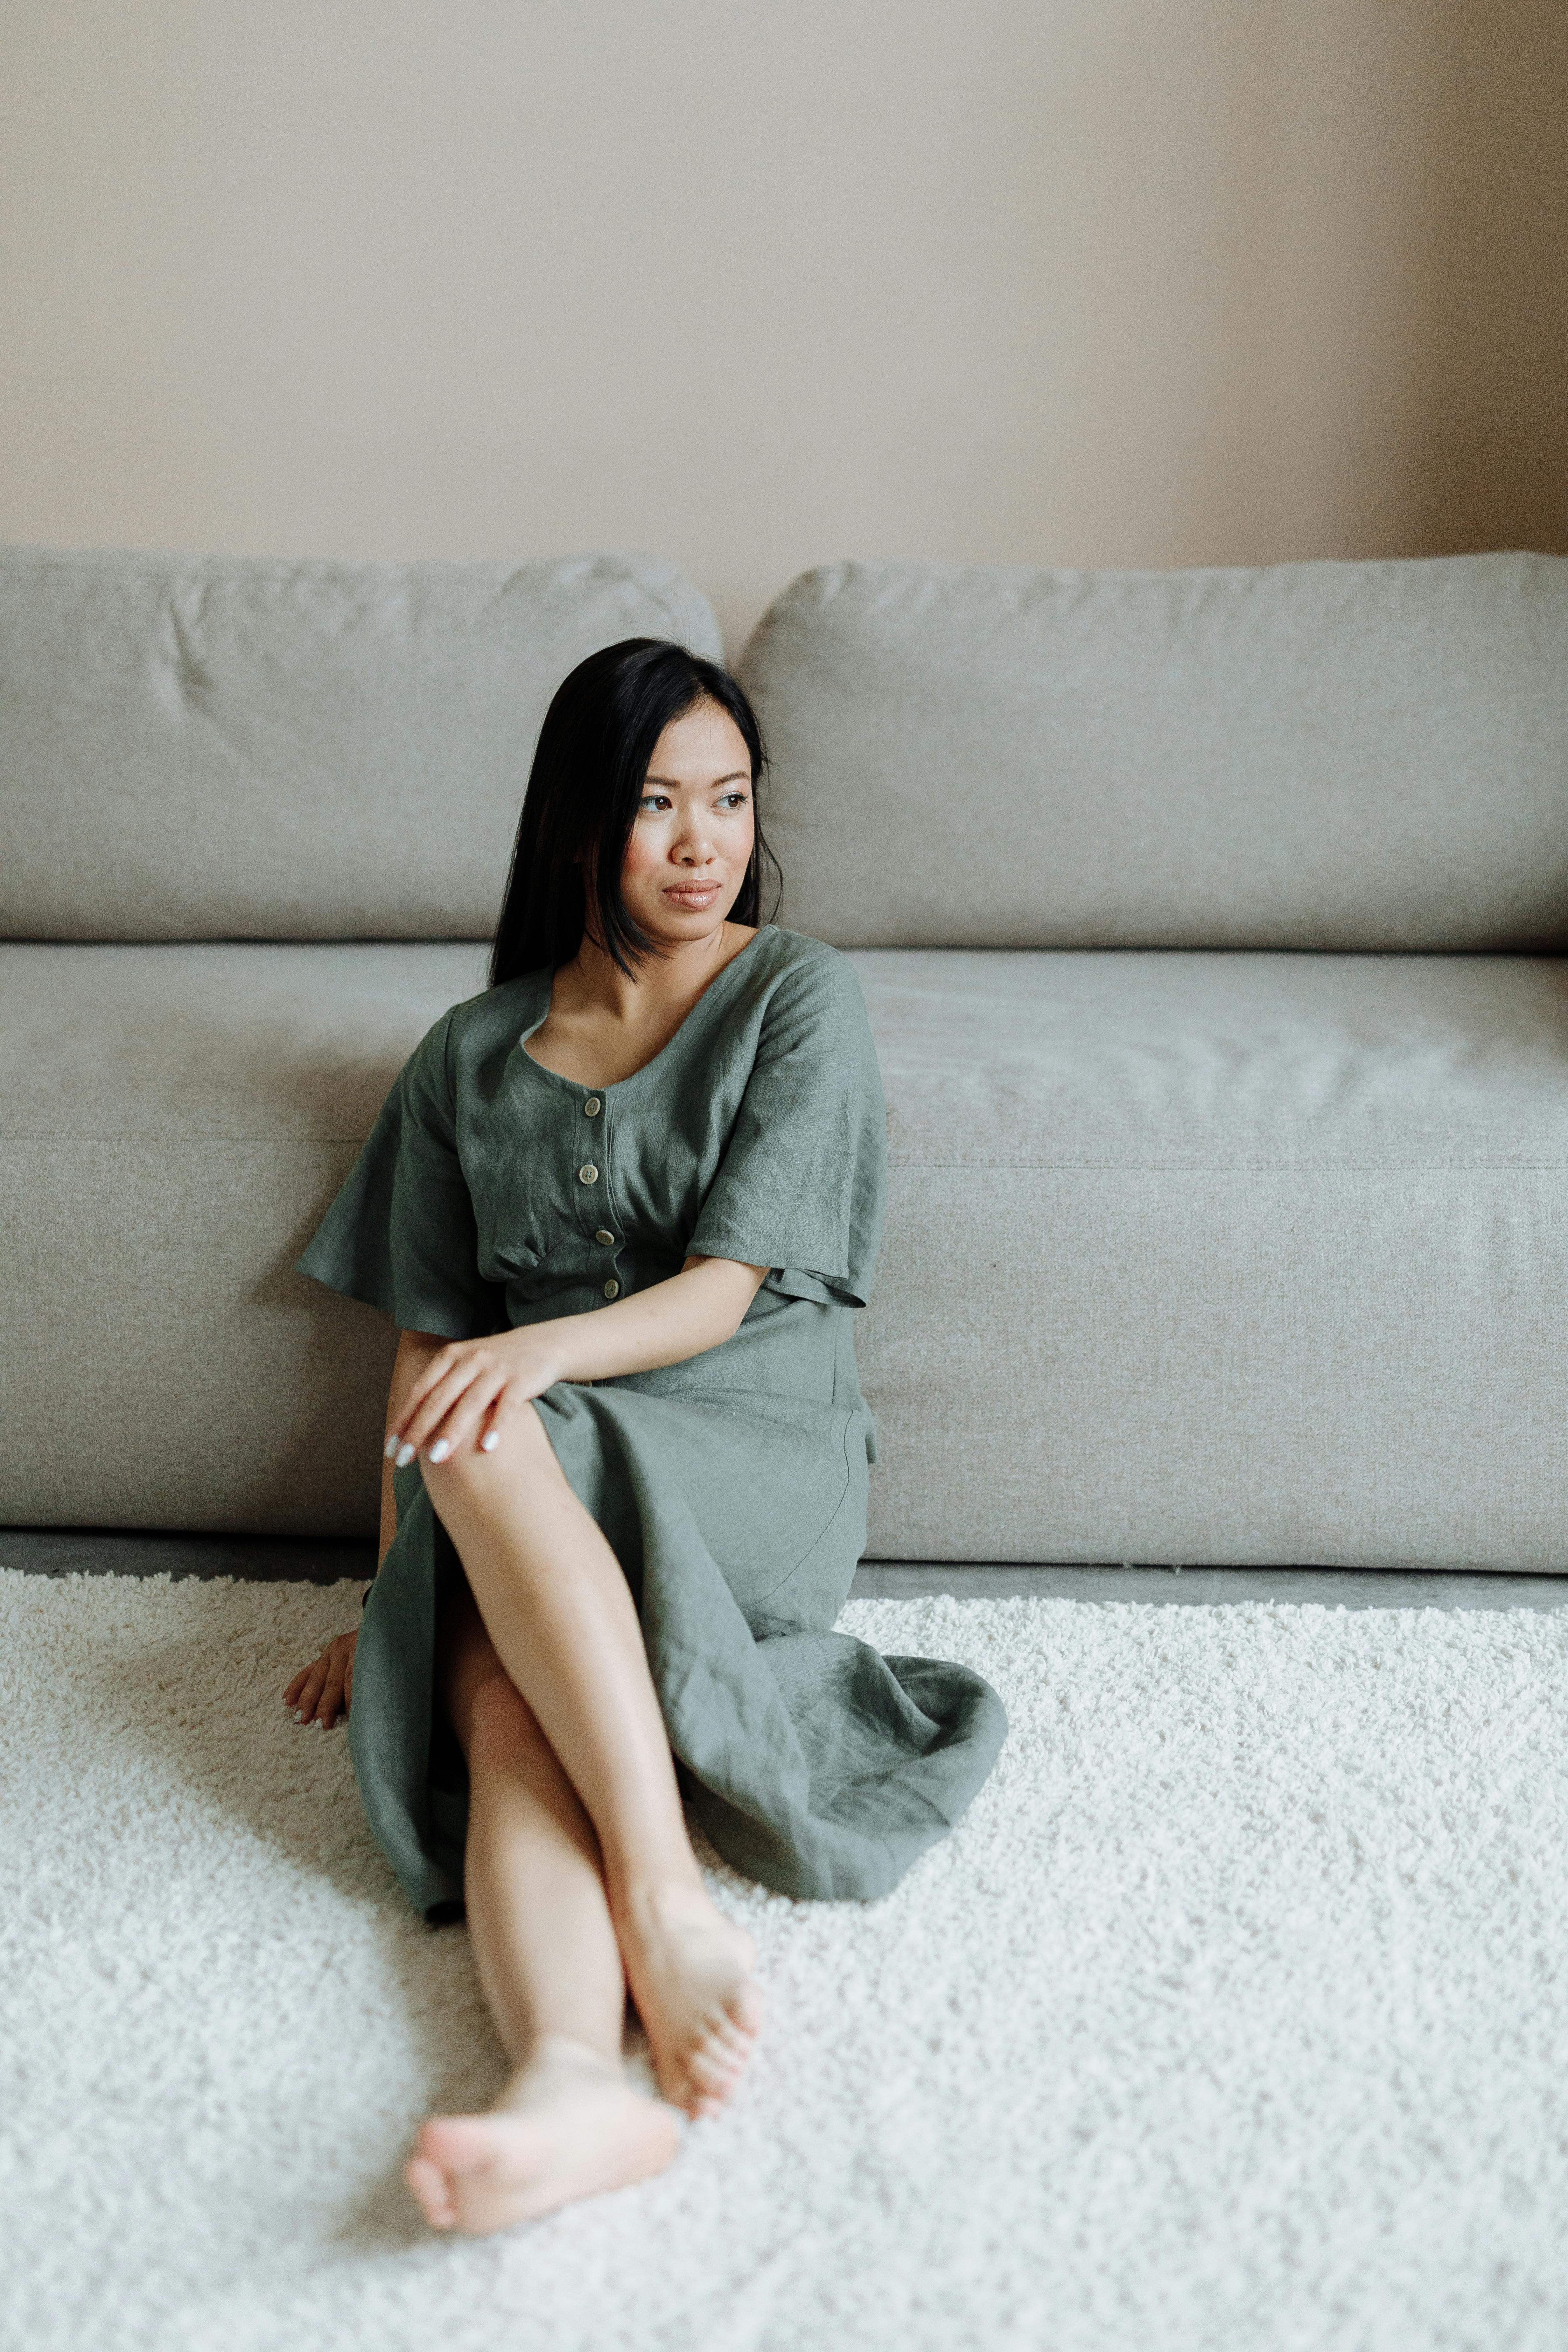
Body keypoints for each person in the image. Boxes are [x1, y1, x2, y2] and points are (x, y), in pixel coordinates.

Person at [282, 638, 1007, 2235]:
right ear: (580, 824)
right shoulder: (470, 1055)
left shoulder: (794, 990)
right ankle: (561, 2081)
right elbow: (422, 1339)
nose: (703, 843)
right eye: (660, 804)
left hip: (749, 1442)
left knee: (475, 1416)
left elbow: (722, 1291)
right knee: (480, 1697)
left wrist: (527, 1360)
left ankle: (666, 1911)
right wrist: (387, 1592)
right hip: (525, 1466)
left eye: (732, 800)